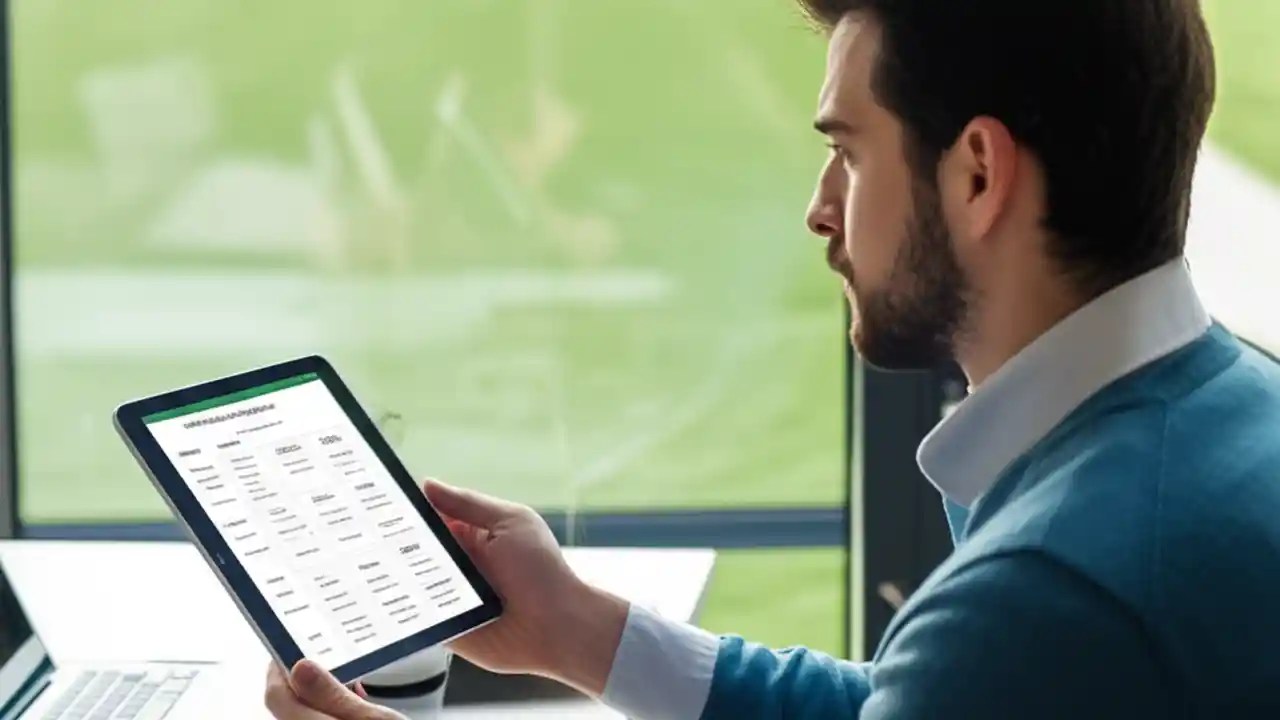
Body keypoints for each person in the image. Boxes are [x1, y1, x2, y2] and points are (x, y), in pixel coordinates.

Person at [266, 0, 1280, 717]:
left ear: (976, 175)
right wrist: (573, 629)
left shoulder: (1044, 597)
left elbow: (968, 673)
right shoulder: (1236, 413)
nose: (819, 207)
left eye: (847, 151)